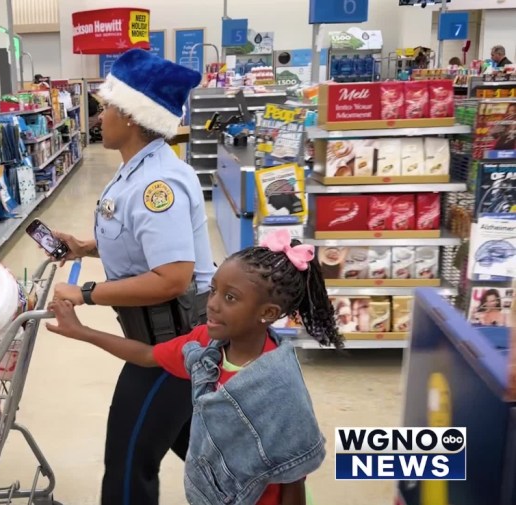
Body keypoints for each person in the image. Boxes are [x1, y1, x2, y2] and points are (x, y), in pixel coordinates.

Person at [47, 230, 343, 505]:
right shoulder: (207, 346)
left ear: (267, 313)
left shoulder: (278, 386)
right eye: (213, 290)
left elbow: (293, 476)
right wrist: (82, 332)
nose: (212, 304)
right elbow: (149, 355)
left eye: (230, 298)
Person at [47, 49, 214, 505]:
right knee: (208, 452)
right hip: (162, 341)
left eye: (107, 107)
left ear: (134, 115)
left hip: (175, 346)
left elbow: (173, 277)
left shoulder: (158, 185)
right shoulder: (133, 173)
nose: (100, 118)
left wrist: (86, 293)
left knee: (128, 460)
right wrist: (86, 247)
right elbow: (146, 247)